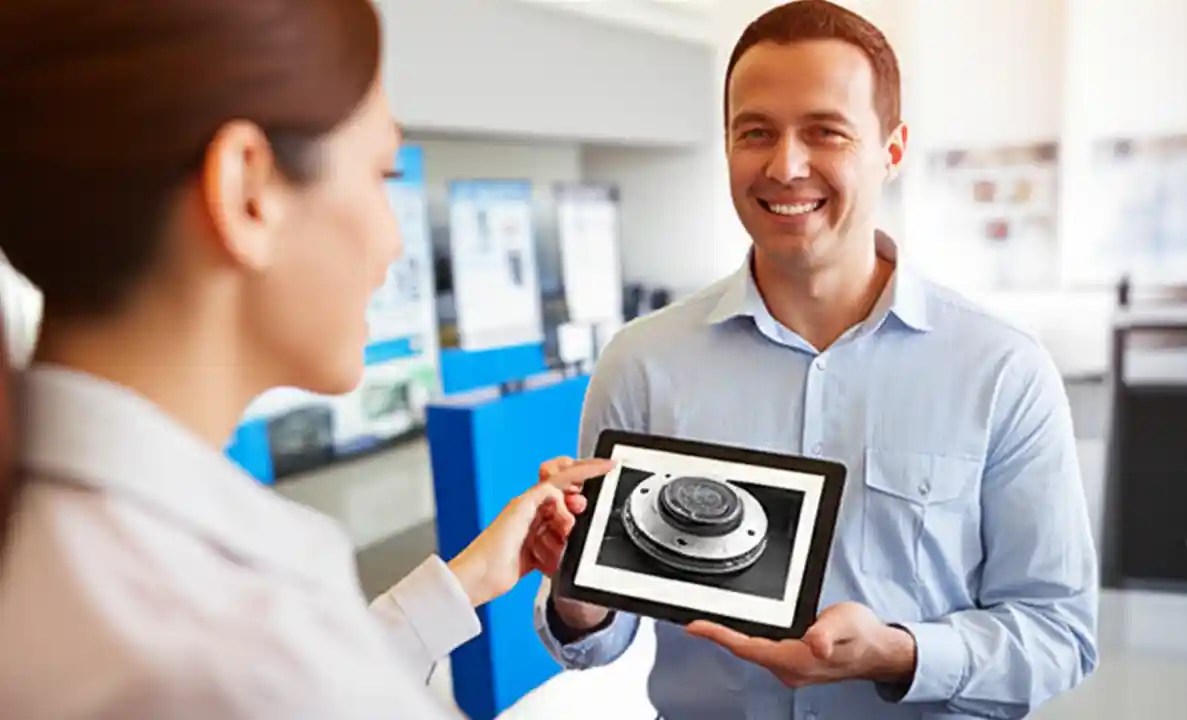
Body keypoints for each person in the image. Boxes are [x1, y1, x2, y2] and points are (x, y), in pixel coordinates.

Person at [0, 2, 610, 718]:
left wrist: (467, 580)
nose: (392, 243)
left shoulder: (65, 544)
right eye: (382, 174)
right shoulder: (244, 648)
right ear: (247, 192)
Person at [534, 1, 1099, 718]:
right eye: (755, 133)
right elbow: (597, 638)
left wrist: (900, 652)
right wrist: (578, 595)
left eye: (825, 132)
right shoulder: (642, 363)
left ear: (891, 151)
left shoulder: (1003, 371)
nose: (785, 165)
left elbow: (1059, 634)